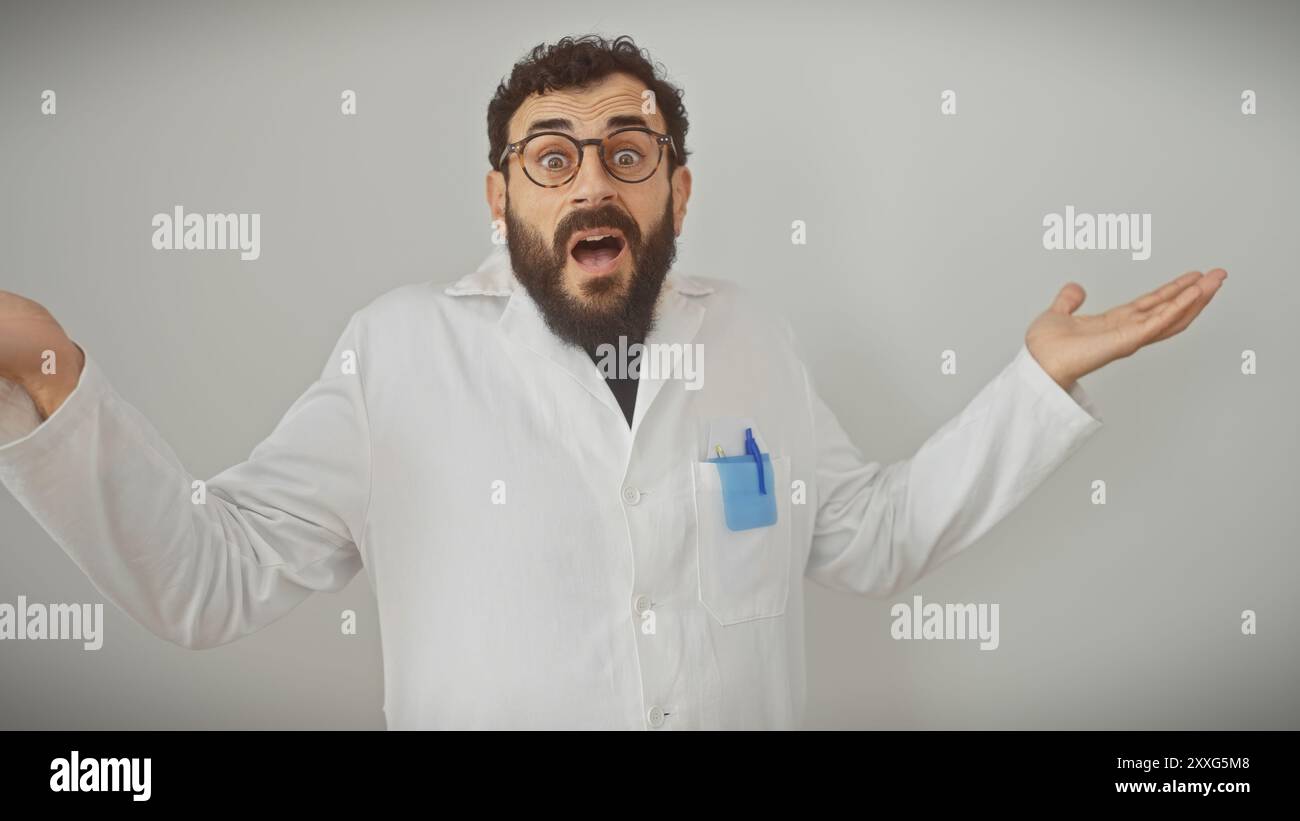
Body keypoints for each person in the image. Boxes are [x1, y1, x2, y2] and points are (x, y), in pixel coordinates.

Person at [0, 35, 1226, 729]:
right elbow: (206, 579)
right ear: (500, 196)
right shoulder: (400, 350)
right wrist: (43, 362)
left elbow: (869, 539)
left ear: (675, 191)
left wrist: (1032, 385)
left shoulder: (750, 336)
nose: (592, 180)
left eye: (626, 153)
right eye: (551, 155)